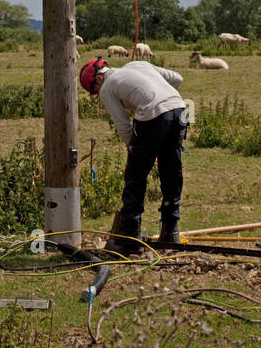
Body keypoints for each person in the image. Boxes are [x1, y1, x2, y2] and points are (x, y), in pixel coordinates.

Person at [80, 56, 189, 251]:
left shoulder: (107, 88)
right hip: (178, 109)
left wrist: (136, 150)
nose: (97, 94)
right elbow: (177, 78)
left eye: (94, 91)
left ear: (97, 80)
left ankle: (131, 237)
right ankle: (170, 233)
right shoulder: (139, 65)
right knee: (171, 172)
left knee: (135, 178)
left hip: (153, 114)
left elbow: (123, 126)